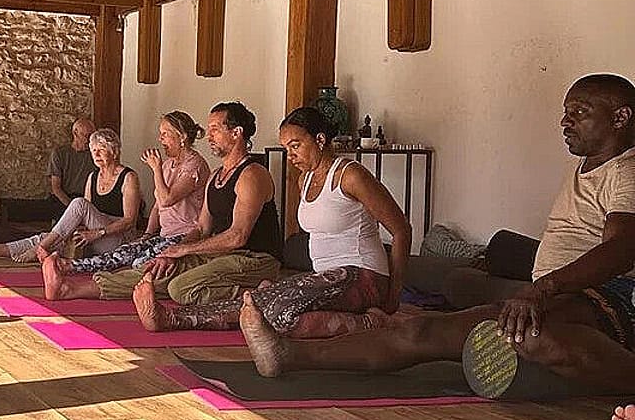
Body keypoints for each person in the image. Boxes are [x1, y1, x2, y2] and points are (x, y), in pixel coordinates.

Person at [239, 74, 635, 397]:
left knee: (527, 340)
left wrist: (541, 289)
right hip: (558, 296)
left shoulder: (627, 171)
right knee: (424, 326)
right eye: (565, 112)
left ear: (620, 117)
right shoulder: (593, 166)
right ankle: (287, 353)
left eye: (579, 113)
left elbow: (622, 250)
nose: (565, 122)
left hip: (602, 303)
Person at [133, 106, 411, 336]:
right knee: (259, 305)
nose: (291, 156)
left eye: (296, 146)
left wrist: (393, 296)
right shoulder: (305, 180)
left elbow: (401, 230)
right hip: (326, 279)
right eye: (286, 148)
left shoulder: (351, 175)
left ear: (320, 140)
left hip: (364, 277)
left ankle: (372, 322)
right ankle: (173, 318)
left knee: (278, 310)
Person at [42, 102, 282, 305]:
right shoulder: (217, 175)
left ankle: (258, 294)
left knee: (180, 287)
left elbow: (237, 236)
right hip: (219, 253)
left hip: (253, 258)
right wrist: (171, 254)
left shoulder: (252, 174)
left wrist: (183, 249)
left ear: (236, 133)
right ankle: (68, 289)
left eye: (215, 129)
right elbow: (201, 228)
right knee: (156, 269)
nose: (209, 136)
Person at [41, 111, 209, 296]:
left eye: (165, 134)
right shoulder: (168, 165)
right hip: (164, 235)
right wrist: (146, 235)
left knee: (140, 262)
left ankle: (73, 286)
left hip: (185, 236)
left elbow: (167, 199)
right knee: (124, 252)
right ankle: (66, 265)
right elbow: (157, 206)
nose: (160, 139)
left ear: (182, 136)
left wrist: (155, 169)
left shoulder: (195, 165)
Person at [0, 128, 140, 262]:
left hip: (117, 241)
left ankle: (38, 249)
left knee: (78, 204)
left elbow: (129, 222)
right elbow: (85, 216)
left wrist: (97, 233)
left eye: (101, 150)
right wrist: (79, 229)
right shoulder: (93, 177)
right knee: (50, 238)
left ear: (114, 151)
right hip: (95, 238)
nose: (96, 155)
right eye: (93, 150)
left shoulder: (128, 177)